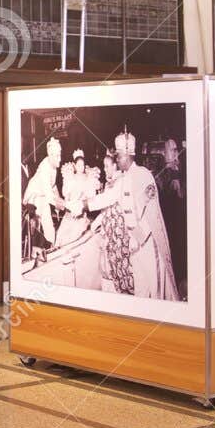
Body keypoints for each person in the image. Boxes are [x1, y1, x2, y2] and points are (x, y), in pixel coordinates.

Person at [83, 129, 180, 301]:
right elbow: (107, 198)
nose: (117, 160)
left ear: (127, 156)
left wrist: (138, 240)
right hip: (134, 245)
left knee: (155, 287)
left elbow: (148, 213)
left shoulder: (143, 175)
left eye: (119, 157)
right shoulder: (124, 178)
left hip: (149, 244)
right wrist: (82, 205)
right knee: (141, 289)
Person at [22, 136, 67, 260]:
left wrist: (60, 199)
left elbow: (53, 187)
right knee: (36, 226)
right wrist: (64, 205)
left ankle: (50, 248)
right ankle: (32, 255)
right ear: (51, 156)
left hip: (43, 197)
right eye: (57, 156)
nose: (60, 159)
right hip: (33, 199)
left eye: (60, 155)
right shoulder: (44, 169)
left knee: (48, 225)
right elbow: (49, 195)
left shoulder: (53, 167)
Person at [154, 138, 186, 291]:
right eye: (172, 150)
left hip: (182, 222)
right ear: (165, 153)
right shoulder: (162, 174)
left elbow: (183, 195)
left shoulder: (180, 170)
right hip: (168, 222)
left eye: (176, 149)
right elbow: (164, 195)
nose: (175, 152)